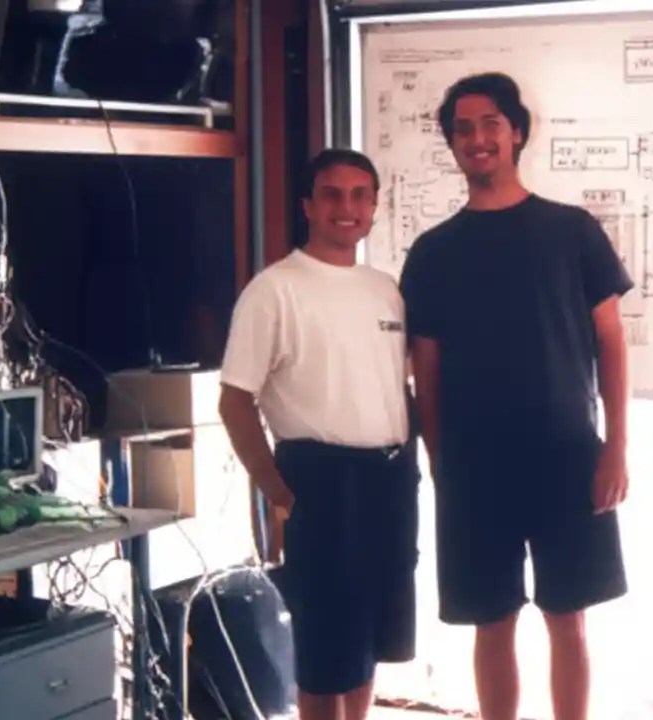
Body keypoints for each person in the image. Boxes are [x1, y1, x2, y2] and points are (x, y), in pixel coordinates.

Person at [400, 72, 632, 720]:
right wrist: (442, 466)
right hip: (475, 469)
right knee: (491, 622)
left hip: (567, 457)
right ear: (452, 144)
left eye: (490, 125)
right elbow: (427, 367)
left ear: (517, 133)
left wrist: (615, 449)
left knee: (569, 618)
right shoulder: (433, 251)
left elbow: (612, 344)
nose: (478, 139)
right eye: (464, 129)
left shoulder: (572, 231)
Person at [218, 148, 418, 720]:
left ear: (375, 207)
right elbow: (235, 400)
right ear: (308, 205)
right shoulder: (274, 289)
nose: (347, 207)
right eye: (332, 194)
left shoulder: (385, 290)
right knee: (326, 649)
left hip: (391, 477)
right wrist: (275, 490)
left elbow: (394, 382)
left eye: (360, 195)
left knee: (371, 639)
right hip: (320, 480)